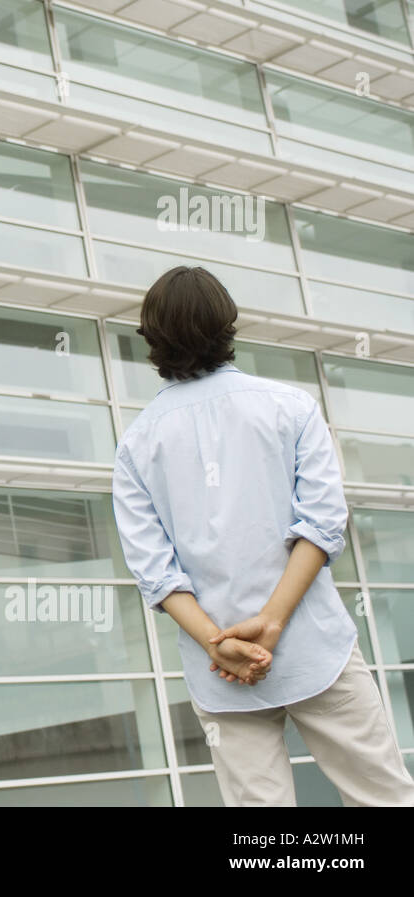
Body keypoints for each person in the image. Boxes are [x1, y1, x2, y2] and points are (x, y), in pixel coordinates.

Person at [112, 265, 414, 807]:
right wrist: (272, 624)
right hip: (315, 649)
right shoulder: (290, 407)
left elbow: (155, 572)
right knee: (385, 799)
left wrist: (217, 644)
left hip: (219, 671)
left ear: (151, 341)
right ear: (229, 325)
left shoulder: (136, 445)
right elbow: (322, 525)